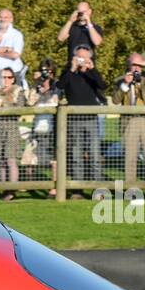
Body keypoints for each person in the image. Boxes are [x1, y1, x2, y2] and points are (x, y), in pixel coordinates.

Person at [56, 44, 106, 190]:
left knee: (95, 154)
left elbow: (102, 86)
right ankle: (77, 188)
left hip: (91, 118)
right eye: (79, 57)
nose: (81, 60)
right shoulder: (69, 72)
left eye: (85, 57)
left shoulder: (92, 74)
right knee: (76, 155)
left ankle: (99, 188)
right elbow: (60, 85)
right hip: (74, 119)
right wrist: (72, 68)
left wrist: (92, 69)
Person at [112, 52, 145, 185]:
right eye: (133, 64)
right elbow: (116, 100)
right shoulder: (120, 80)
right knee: (130, 157)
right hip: (130, 121)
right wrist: (125, 85)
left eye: (139, 65)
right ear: (128, 65)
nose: (136, 68)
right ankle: (131, 190)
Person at [0, 68, 26, 199]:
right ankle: (4, 189)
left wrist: (4, 104)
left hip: (11, 128)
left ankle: (12, 190)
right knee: (2, 161)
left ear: (13, 79)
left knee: (11, 160)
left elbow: (20, 109)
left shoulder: (18, 91)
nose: (6, 80)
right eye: (3, 77)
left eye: (9, 77)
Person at [27, 59, 61, 195]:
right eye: (43, 70)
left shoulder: (57, 86)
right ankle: (30, 186)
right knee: (30, 157)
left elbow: (55, 101)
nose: (46, 74)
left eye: (48, 70)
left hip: (53, 126)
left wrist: (46, 90)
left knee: (54, 159)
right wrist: (36, 84)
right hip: (37, 126)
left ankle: (54, 188)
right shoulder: (36, 86)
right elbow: (30, 103)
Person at [0, 9, 24, 76]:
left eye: (5, 17)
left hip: (13, 74)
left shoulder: (17, 35)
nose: (2, 20)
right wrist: (7, 49)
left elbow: (15, 55)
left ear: (11, 19)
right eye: (0, 17)